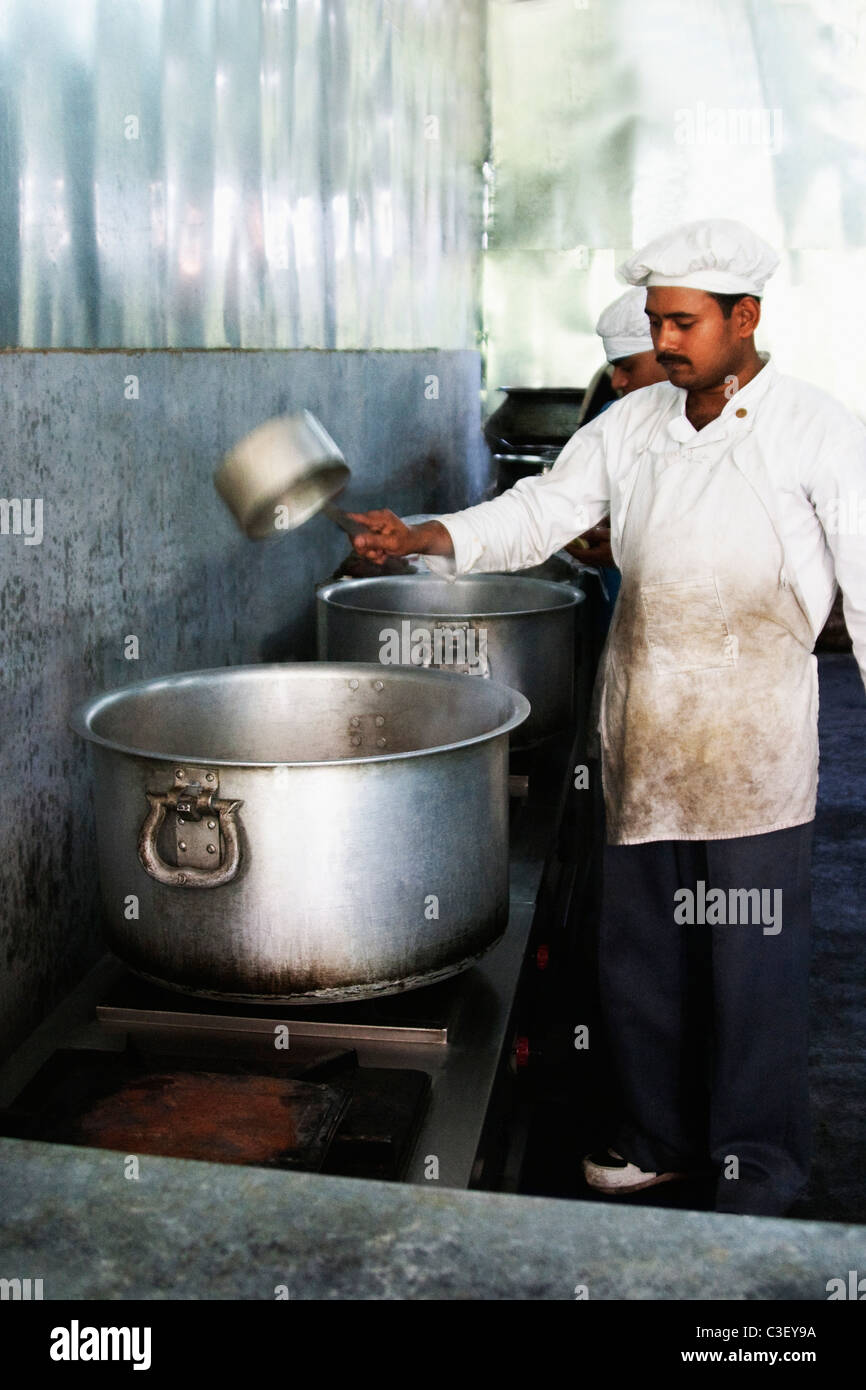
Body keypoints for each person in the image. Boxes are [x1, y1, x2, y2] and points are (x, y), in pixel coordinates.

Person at [346, 218, 866, 1216]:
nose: (662, 343)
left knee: (750, 971)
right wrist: (428, 533)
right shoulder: (630, 427)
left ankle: (756, 1161)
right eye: (658, 322)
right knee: (642, 961)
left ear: (742, 317)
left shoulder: (820, 431)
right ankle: (655, 1134)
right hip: (649, 732)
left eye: (682, 323)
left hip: (752, 748)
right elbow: (541, 509)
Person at [569, 288, 669, 579]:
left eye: (627, 367)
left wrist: (629, 552)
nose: (616, 381)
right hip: (619, 601)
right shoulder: (615, 418)